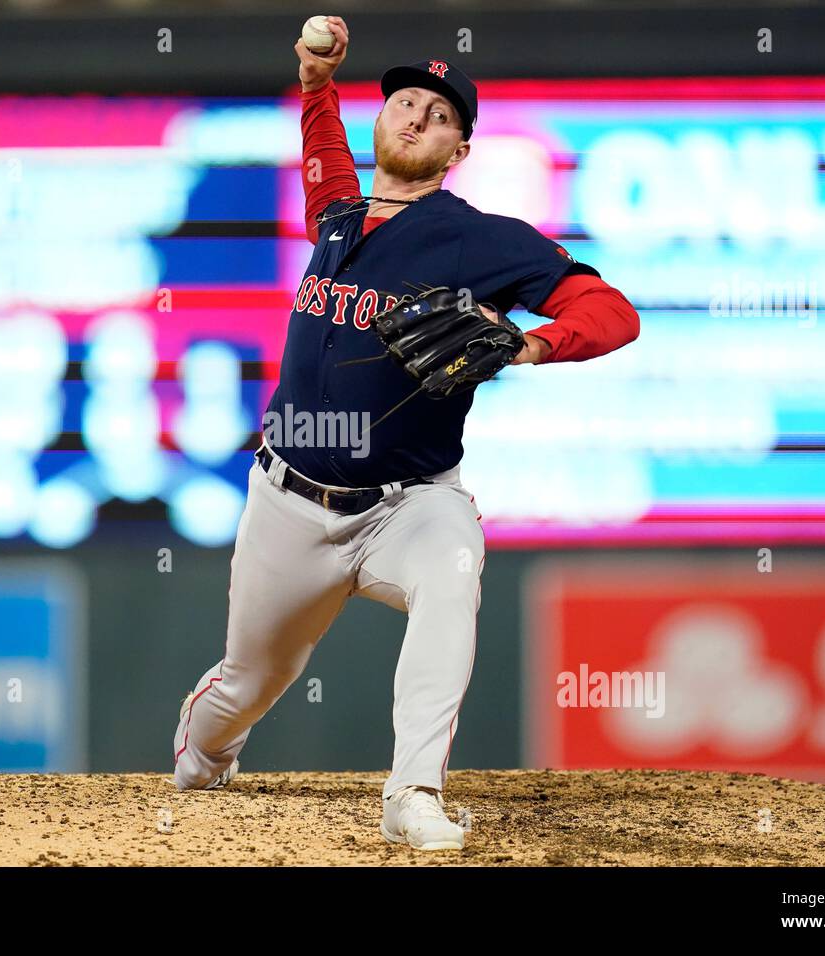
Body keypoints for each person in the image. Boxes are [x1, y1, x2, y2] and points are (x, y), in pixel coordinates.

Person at [172, 16, 640, 850]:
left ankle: (412, 794)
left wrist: (531, 342)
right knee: (249, 684)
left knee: (455, 569)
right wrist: (317, 84)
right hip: (287, 501)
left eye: (438, 112)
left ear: (458, 149)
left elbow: (611, 312)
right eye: (403, 103)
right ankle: (204, 763)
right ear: (381, 121)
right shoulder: (341, 220)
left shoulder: (479, 238)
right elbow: (324, 160)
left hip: (409, 503)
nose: (416, 116)